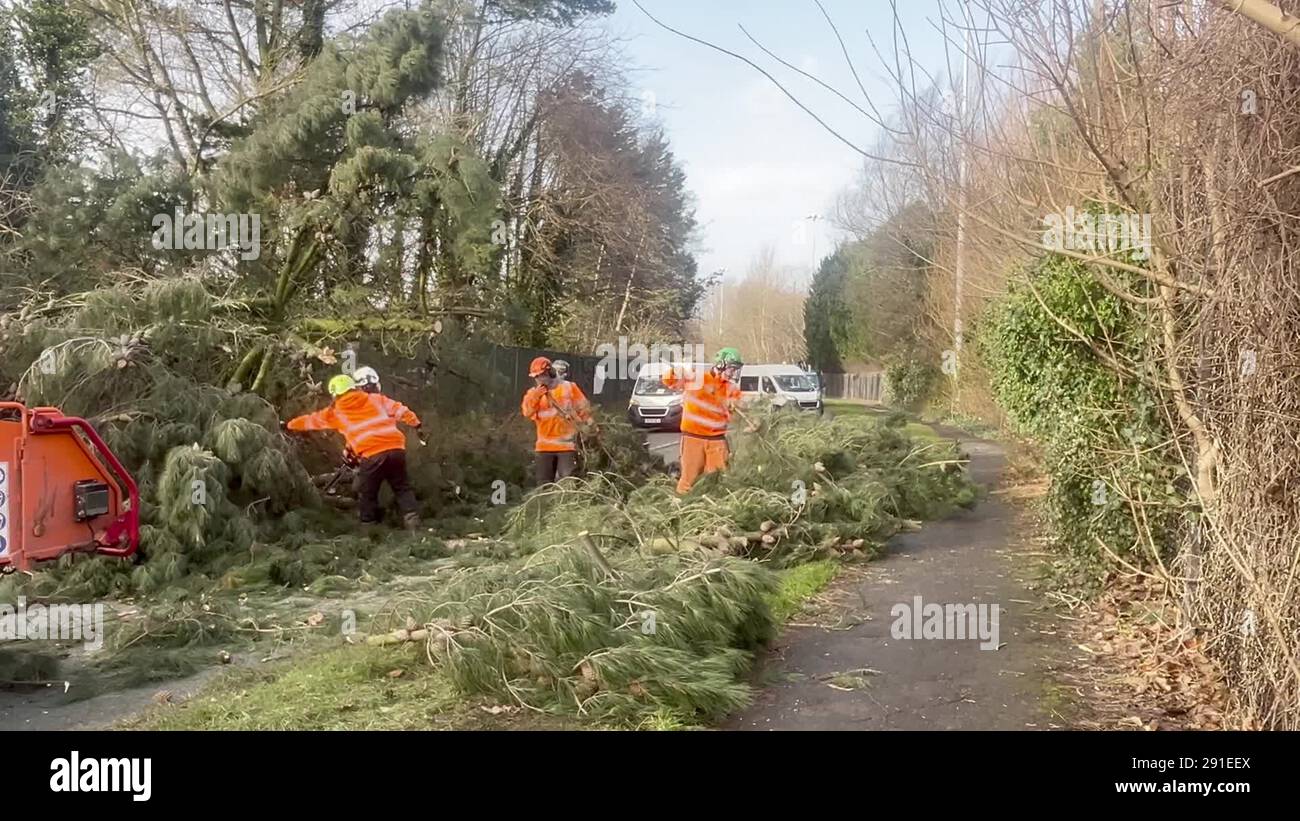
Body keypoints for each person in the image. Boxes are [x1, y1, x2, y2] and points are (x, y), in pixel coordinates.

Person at [284, 374, 423, 530]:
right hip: (396, 448)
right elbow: (400, 410)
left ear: (335, 394)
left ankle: (369, 529)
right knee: (402, 488)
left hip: (372, 454)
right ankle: (413, 523)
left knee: (367, 493)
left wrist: (289, 425)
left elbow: (311, 421)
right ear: (354, 387)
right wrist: (416, 423)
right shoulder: (375, 399)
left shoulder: (335, 412)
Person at [663, 347, 744, 494]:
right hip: (693, 439)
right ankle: (683, 509)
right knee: (689, 480)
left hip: (717, 441)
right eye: (732, 368)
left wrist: (743, 409)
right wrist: (677, 371)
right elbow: (668, 381)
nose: (733, 373)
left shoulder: (731, 389)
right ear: (721, 364)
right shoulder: (697, 379)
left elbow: (742, 408)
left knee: (720, 481)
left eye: (736, 369)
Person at [521, 356, 593, 484]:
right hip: (544, 447)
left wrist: (591, 428)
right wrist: (535, 397)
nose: (538, 379)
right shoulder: (533, 393)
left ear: (550, 373)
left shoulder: (569, 387)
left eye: (541, 376)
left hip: (567, 446)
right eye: (536, 377)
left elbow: (584, 408)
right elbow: (527, 412)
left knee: (568, 483)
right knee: (544, 485)